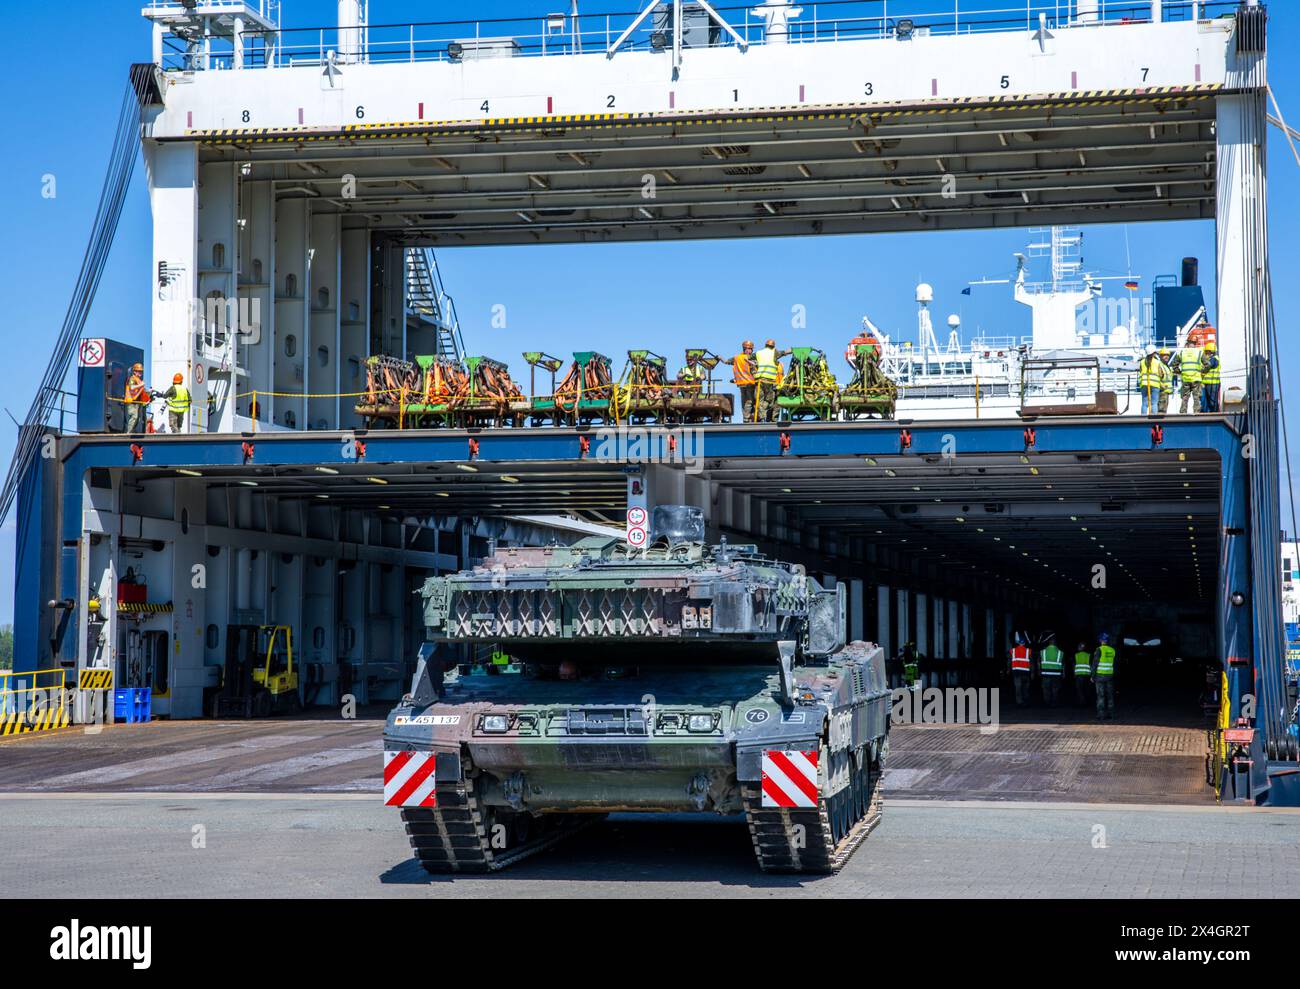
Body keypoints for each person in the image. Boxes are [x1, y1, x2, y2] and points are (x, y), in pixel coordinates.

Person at [753, 338, 791, 423]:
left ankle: (762, 417)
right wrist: (792, 350)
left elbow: (749, 358)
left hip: (759, 380)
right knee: (769, 401)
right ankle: (764, 416)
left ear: (765, 345)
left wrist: (754, 364)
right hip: (769, 381)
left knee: (759, 400)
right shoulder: (774, 353)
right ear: (773, 347)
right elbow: (784, 352)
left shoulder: (758, 353)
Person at [720, 340, 757, 422]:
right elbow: (754, 371)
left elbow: (726, 362)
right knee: (750, 402)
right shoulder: (751, 358)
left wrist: (720, 358)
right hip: (750, 384)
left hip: (741, 384)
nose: (750, 351)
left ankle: (746, 418)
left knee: (744, 403)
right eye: (749, 349)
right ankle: (748, 418)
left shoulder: (736, 358)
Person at [1172, 340, 1203, 414]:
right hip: (1196, 379)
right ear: (1195, 344)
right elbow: (1207, 364)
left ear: (1187, 344)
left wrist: (1179, 372)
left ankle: (1183, 413)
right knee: (1196, 398)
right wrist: (1202, 372)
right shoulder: (1199, 352)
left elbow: (1174, 364)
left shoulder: (1182, 352)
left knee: (1185, 398)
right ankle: (1196, 413)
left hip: (1185, 379)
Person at [1092, 632, 1117, 720]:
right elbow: (1115, 664)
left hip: (1100, 676)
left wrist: (1092, 676)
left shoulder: (1099, 650)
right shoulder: (1113, 650)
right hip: (1109, 676)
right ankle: (1111, 714)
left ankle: (1101, 715)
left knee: (1100, 695)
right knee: (1110, 695)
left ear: (1101, 640)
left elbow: (1095, 663)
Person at [1137, 345, 1169, 416]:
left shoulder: (1142, 362)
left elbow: (1140, 371)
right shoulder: (1157, 362)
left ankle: (1143, 418)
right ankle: (1153, 417)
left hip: (1144, 384)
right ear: (1154, 353)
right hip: (1155, 385)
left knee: (1144, 403)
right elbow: (1161, 374)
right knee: (1154, 403)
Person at [123, 362, 150, 434]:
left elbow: (140, 390)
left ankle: (132, 431)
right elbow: (132, 387)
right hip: (131, 401)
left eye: (141, 371)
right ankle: (129, 433)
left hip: (136, 401)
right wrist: (141, 385)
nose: (140, 373)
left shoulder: (138, 380)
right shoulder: (132, 379)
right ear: (134, 371)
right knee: (134, 417)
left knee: (137, 418)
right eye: (138, 371)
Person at [1038, 634, 1064, 706]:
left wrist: (1038, 671)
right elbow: (1063, 664)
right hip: (1056, 674)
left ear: (1049, 642)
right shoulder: (1060, 652)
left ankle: (1047, 702)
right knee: (1055, 689)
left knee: (1046, 689)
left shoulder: (1042, 652)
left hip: (1045, 673)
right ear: (1055, 643)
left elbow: (1038, 662)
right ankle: (1054, 703)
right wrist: (1063, 673)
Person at [1009, 633, 1033, 707]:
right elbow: (1031, 663)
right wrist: (1032, 672)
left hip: (1017, 673)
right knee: (1025, 688)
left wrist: (1008, 670)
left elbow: (1009, 661)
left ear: (1018, 642)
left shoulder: (1012, 651)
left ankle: (1019, 702)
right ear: (1024, 643)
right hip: (1026, 673)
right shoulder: (1028, 651)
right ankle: (1025, 701)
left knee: (1018, 688)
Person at [1200, 341, 1221, 413]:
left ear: (1210, 351)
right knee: (1207, 402)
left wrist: (1200, 370)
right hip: (1208, 383)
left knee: (1212, 402)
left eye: (1206, 352)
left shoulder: (1214, 359)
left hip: (1213, 384)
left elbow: (1207, 367)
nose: (1205, 354)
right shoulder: (1213, 359)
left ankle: (1215, 415)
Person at [1073, 641, 1093, 707]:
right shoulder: (1088, 655)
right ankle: (1087, 702)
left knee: (1079, 689)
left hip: (1079, 675)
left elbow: (1074, 665)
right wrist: (1092, 674)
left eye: (1078, 646)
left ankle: (1082, 702)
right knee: (1086, 689)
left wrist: (1074, 674)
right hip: (1087, 675)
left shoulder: (1076, 655)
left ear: (1079, 647)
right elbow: (1091, 665)